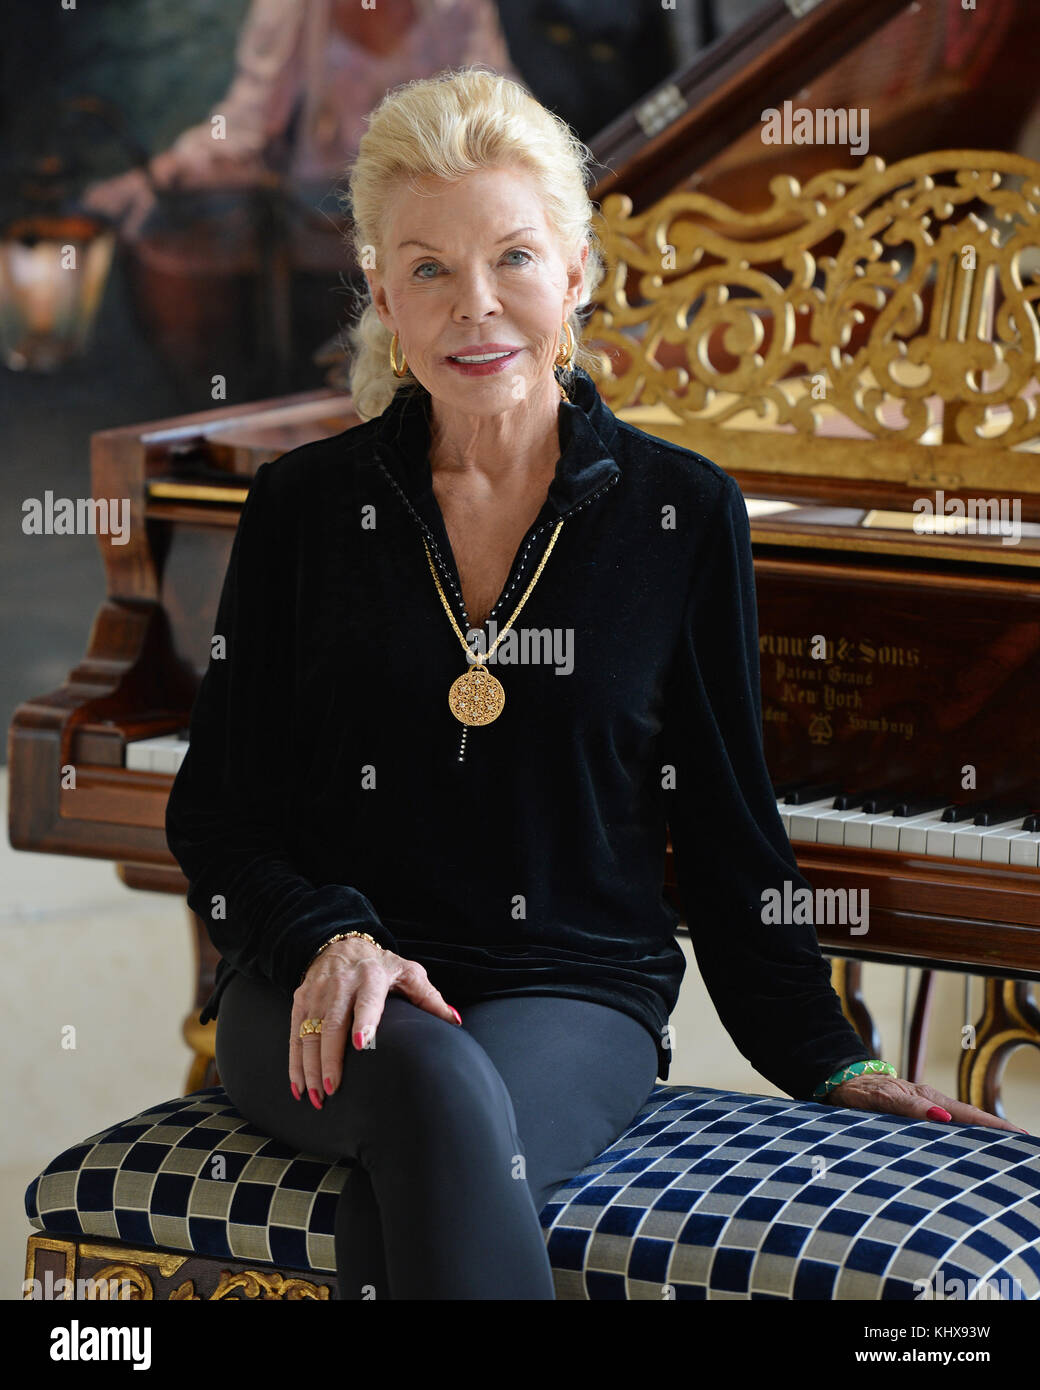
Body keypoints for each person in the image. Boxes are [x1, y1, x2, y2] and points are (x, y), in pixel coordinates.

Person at [164, 66, 1028, 1303]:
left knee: (438, 1135)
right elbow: (217, 813)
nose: (476, 307)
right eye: (427, 269)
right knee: (427, 1090)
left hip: (569, 992)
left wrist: (826, 1061)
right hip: (317, 989)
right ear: (380, 294)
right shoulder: (302, 509)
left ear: (575, 273)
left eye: (513, 257)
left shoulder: (681, 513)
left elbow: (731, 829)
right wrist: (326, 933)